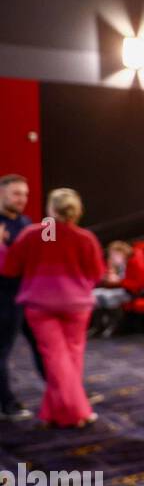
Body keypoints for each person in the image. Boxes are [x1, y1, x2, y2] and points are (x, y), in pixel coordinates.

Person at [0, 188, 103, 428]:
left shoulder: (33, 234)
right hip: (77, 306)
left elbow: (9, 269)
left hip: (40, 306)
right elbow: (97, 273)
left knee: (55, 358)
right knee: (71, 357)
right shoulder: (85, 238)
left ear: (50, 209)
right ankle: (73, 411)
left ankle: (64, 412)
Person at [0, 174, 38, 420]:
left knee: (43, 348)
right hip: (3, 298)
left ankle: (66, 395)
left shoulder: (27, 223)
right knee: (2, 352)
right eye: (16, 193)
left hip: (28, 296)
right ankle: (7, 404)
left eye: (25, 194)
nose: (22, 199)